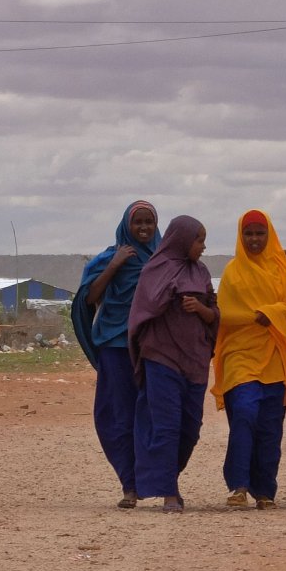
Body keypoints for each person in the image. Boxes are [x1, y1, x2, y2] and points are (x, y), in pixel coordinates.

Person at [212, 209, 286, 510]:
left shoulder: (283, 269)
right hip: (240, 355)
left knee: (270, 425)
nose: (254, 239)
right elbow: (222, 314)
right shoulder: (232, 272)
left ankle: (265, 490)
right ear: (241, 236)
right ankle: (238, 486)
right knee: (244, 414)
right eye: (248, 234)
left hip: (276, 356)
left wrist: (274, 313)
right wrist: (255, 317)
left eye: (259, 233)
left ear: (269, 235)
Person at [72, 201, 161, 508]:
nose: (144, 228)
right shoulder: (109, 258)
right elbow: (89, 298)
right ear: (127, 225)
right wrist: (114, 266)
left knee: (153, 415)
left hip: (152, 348)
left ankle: (159, 481)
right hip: (114, 345)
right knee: (116, 416)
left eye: (149, 222)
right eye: (138, 223)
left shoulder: (164, 258)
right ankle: (129, 484)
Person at [128, 216, 218, 513]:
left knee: (191, 428)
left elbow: (214, 314)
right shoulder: (156, 269)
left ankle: (166, 476)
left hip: (195, 360)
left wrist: (200, 307)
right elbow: (146, 306)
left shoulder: (202, 272)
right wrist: (171, 293)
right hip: (161, 358)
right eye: (199, 240)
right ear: (182, 239)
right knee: (166, 425)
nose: (203, 247)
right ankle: (169, 492)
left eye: (203, 240)